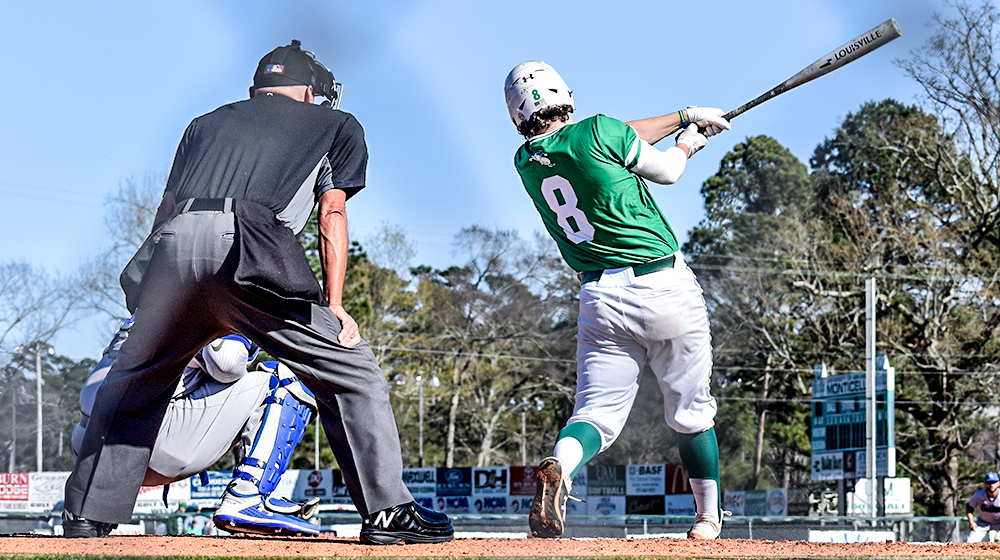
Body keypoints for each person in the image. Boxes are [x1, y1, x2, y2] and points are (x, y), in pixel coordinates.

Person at [63, 40, 453, 545]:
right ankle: (387, 513)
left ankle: (87, 514)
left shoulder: (204, 123)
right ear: (311, 91)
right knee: (353, 374)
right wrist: (334, 307)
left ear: (258, 87)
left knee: (135, 381)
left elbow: (165, 211)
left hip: (176, 244)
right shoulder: (336, 124)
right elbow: (332, 214)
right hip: (247, 244)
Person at [503, 61, 730, 540]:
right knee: (690, 411)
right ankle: (708, 519)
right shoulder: (599, 132)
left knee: (593, 415)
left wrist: (685, 115)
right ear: (564, 92)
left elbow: (613, 136)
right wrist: (688, 142)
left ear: (517, 115)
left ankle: (560, 465)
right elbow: (666, 169)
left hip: (599, 296)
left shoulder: (527, 161)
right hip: (662, 286)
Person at [72, 315, 322, 536]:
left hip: (89, 451)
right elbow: (226, 361)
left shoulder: (150, 301)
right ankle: (248, 495)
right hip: (152, 444)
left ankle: (88, 510)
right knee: (288, 377)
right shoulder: (211, 293)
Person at [966, 471, 1000, 542]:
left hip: (998, 523)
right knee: (971, 542)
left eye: (994, 482)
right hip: (982, 523)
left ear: (998, 483)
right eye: (989, 483)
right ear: (985, 484)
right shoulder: (978, 495)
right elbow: (969, 508)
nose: (991, 485)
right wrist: (972, 522)